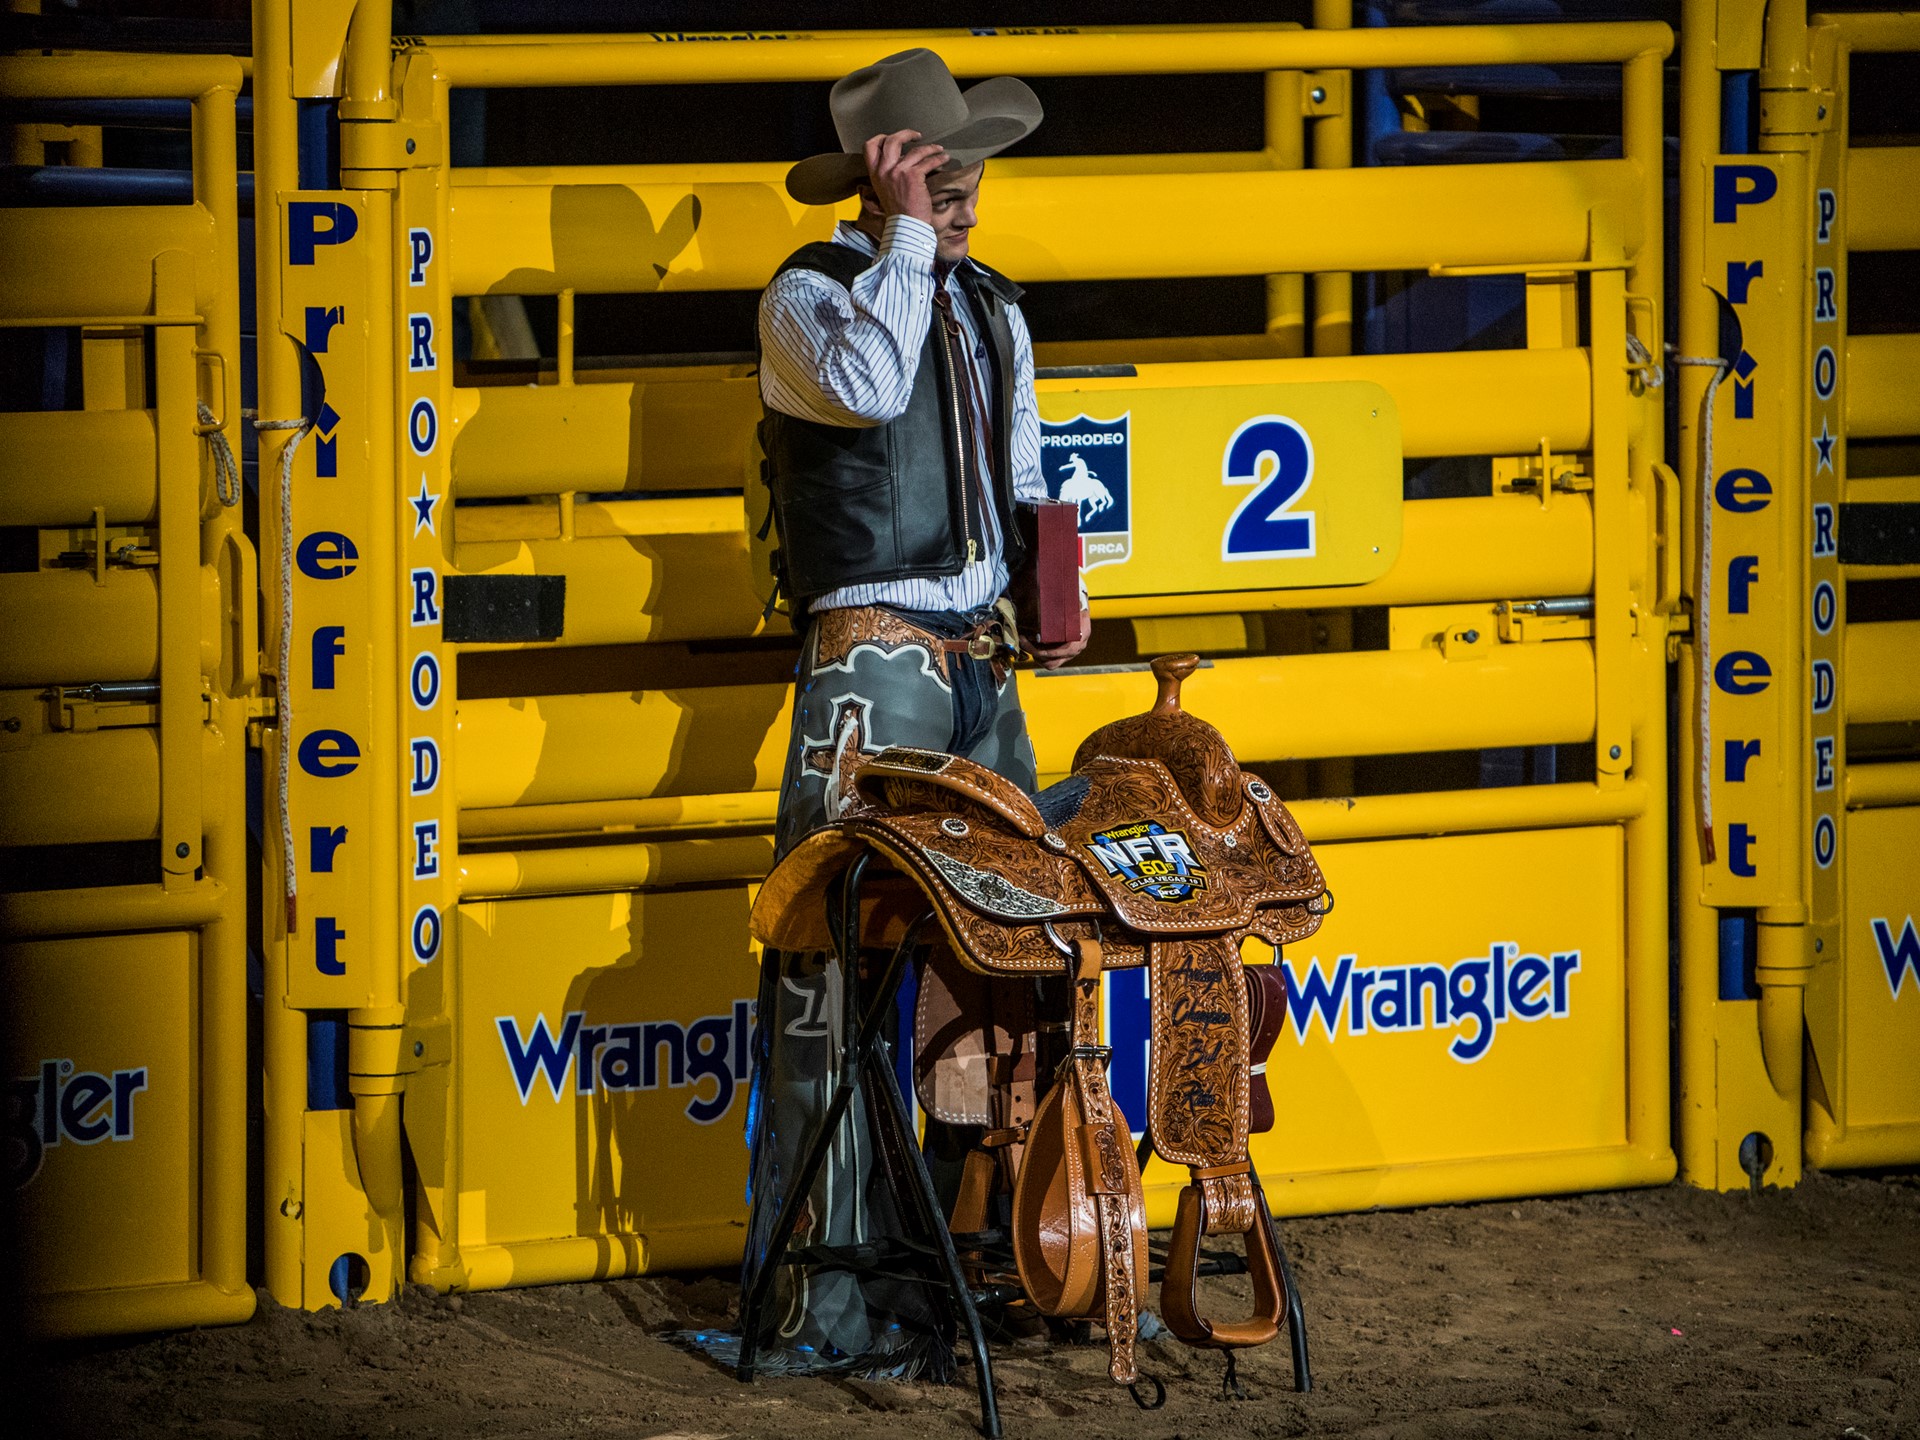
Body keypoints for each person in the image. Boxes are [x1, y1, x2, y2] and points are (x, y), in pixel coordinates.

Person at [731, 47, 1088, 1381]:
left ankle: (959, 1265)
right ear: (888, 177)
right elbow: (873, 389)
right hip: (872, 673)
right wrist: (900, 243)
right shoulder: (811, 298)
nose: (969, 186)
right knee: (828, 973)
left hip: (980, 664)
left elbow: (1026, 465)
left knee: (1007, 969)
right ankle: (819, 1301)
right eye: (941, 166)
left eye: (968, 163)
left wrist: (1055, 584)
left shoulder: (989, 306)